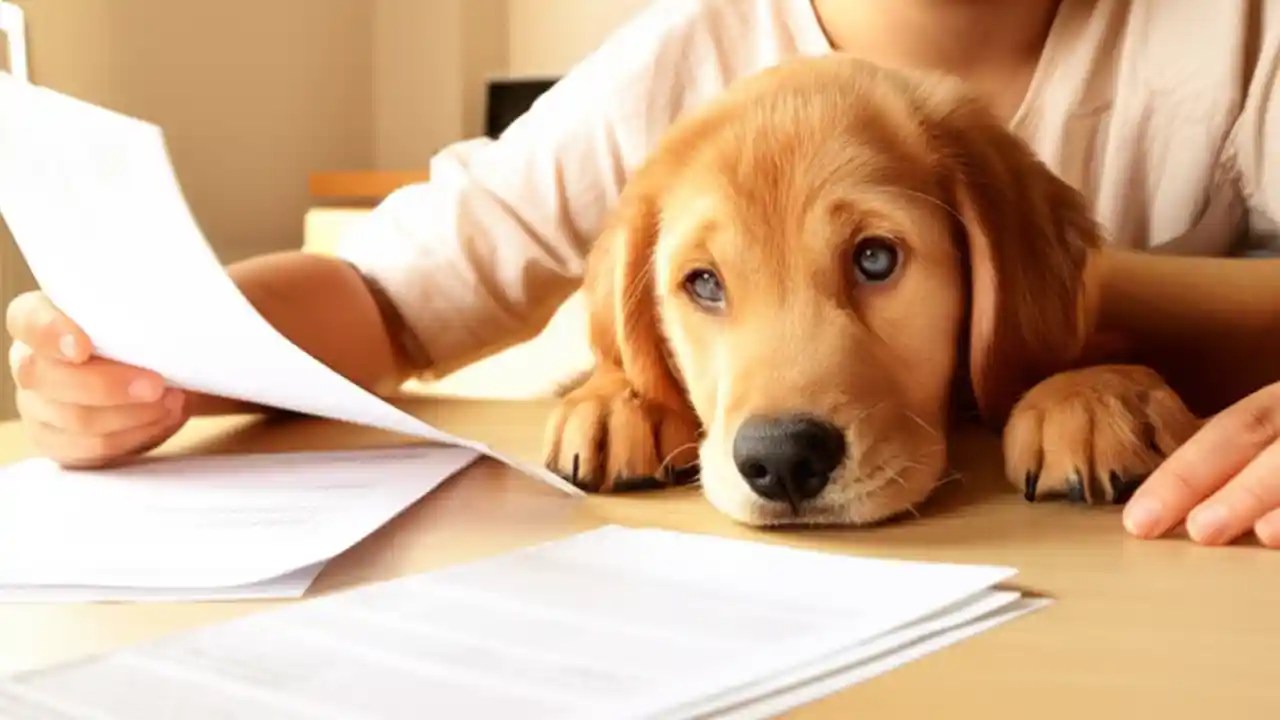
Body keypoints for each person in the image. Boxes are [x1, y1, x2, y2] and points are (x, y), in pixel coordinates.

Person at [5, 0, 1278, 545]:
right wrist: (142, 338)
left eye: (874, 259)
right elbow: (392, 292)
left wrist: (1080, 330)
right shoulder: (686, 56)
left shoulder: (1230, 30)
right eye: (704, 288)